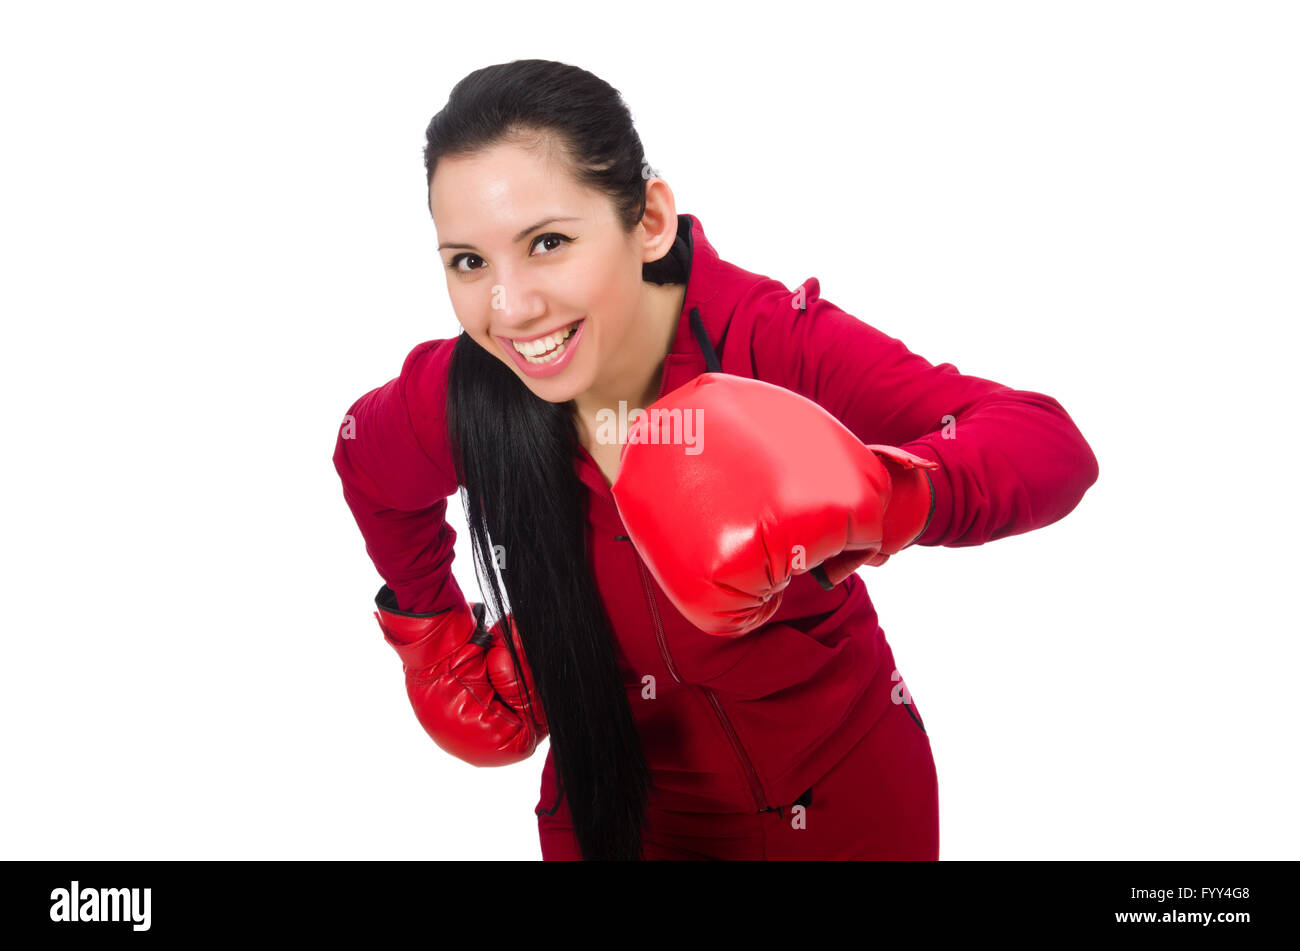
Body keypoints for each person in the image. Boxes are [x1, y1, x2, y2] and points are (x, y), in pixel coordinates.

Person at [331, 59, 1100, 861]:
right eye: (469, 262)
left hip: (841, 802)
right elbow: (368, 463)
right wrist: (433, 639)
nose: (511, 306)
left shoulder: (766, 337)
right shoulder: (464, 389)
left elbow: (1046, 442)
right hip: (612, 814)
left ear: (650, 219)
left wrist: (885, 494)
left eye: (549, 242)